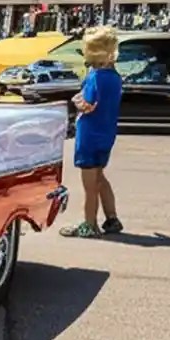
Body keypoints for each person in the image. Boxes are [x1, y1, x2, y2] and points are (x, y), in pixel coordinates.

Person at [60, 25, 123, 239]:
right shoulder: (114, 77)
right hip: (106, 132)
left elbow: (88, 104)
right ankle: (111, 217)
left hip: (89, 132)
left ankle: (89, 223)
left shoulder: (96, 76)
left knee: (89, 183)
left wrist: (77, 101)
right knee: (99, 176)